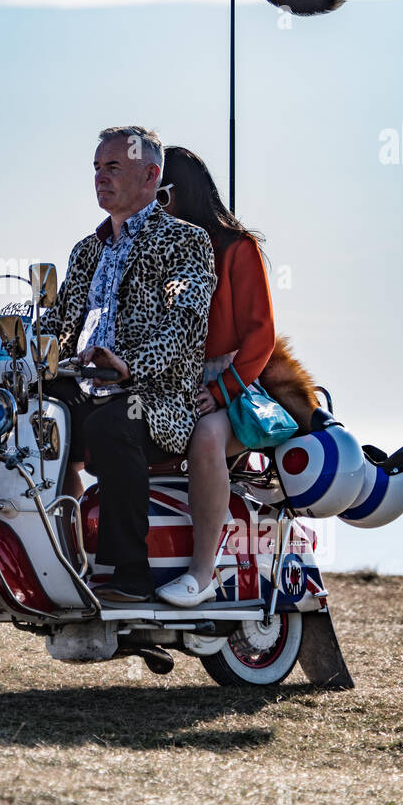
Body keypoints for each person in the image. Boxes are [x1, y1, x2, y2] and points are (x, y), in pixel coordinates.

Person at [40, 126, 215, 607]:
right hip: (88, 385)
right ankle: (56, 554)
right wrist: (23, 350)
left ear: (150, 175)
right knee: (29, 418)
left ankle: (128, 574)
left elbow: (183, 326)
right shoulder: (86, 251)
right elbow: (59, 323)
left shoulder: (186, 243)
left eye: (112, 167)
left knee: (112, 424)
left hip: (157, 398)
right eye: (96, 168)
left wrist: (128, 366)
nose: (100, 177)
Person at [153, 145, 276, 608]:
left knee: (207, 437)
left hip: (236, 385)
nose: (153, 208)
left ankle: (201, 573)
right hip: (170, 383)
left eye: (160, 196)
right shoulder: (156, 248)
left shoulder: (237, 248)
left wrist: (222, 390)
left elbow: (261, 337)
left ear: (179, 193)